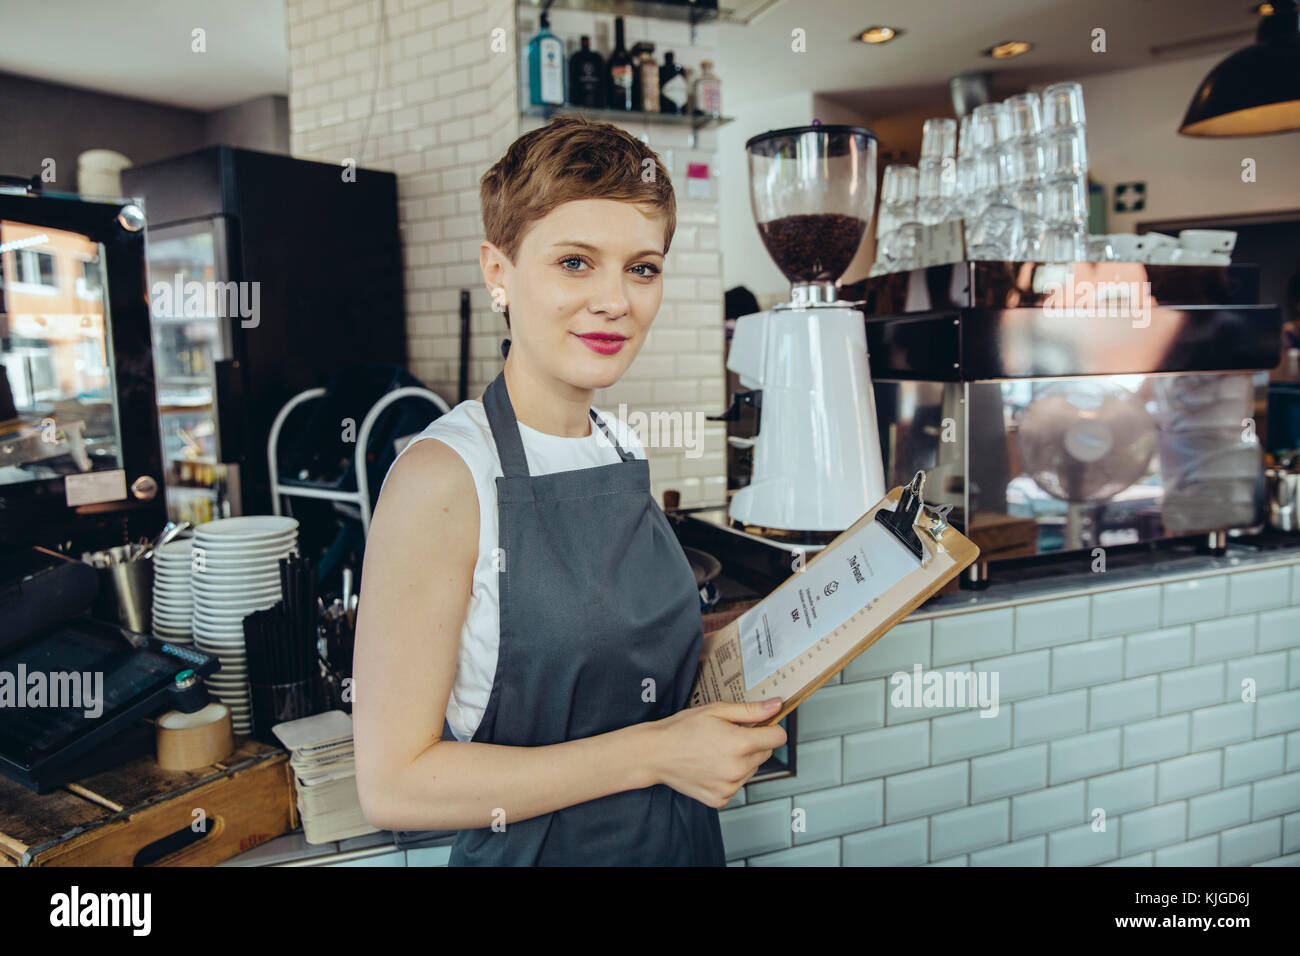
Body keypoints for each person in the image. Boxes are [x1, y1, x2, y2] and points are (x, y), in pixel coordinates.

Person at [352, 115, 786, 866]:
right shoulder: (444, 476)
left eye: (642, 268)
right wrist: (655, 754)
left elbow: (608, 656)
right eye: (577, 262)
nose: (616, 299)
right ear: (498, 272)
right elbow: (395, 784)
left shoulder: (618, 446)